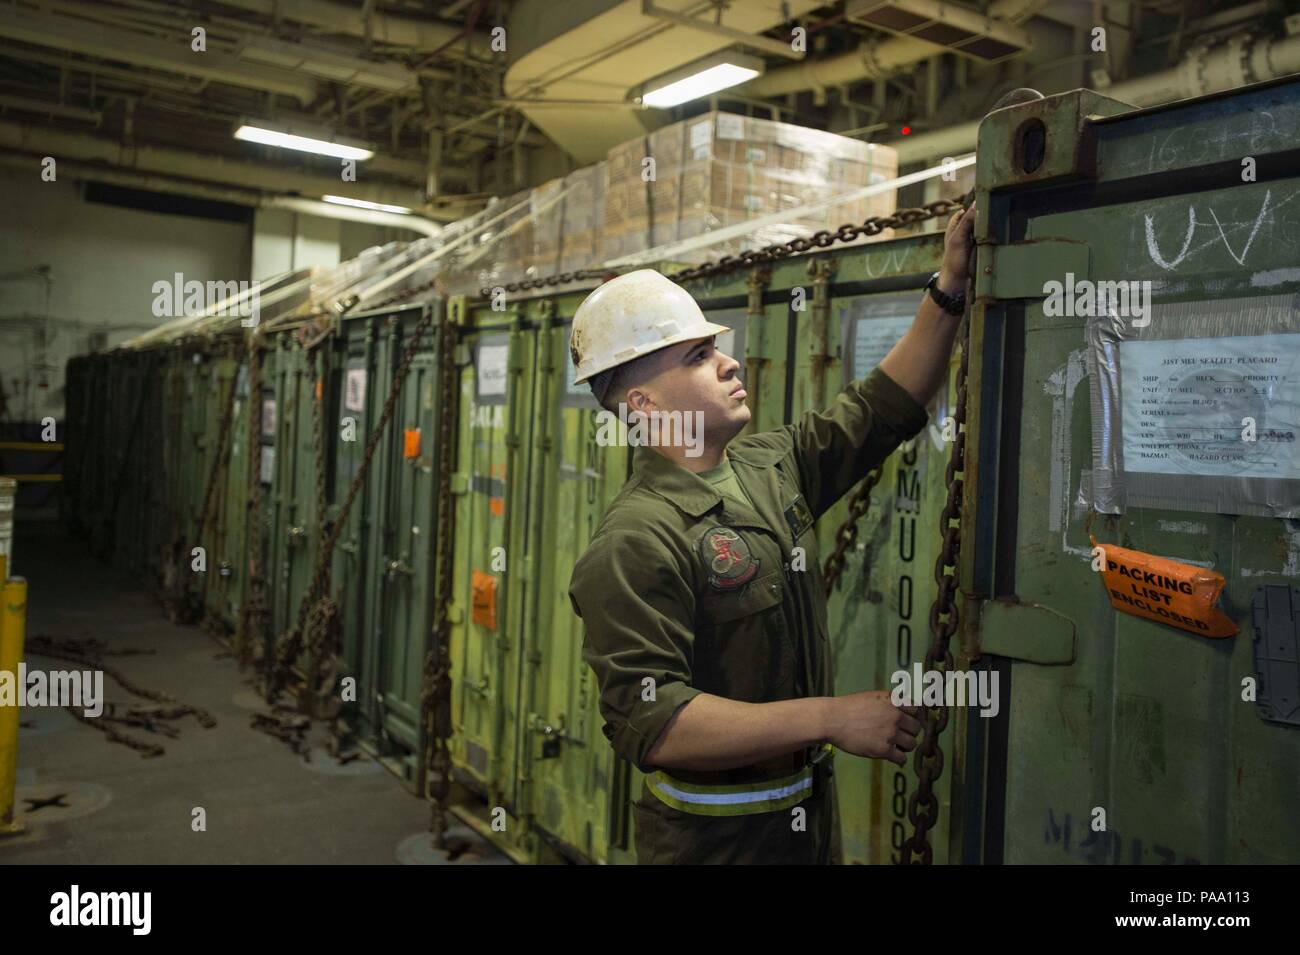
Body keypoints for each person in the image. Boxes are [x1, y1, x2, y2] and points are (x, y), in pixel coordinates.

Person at [567, 201, 977, 864]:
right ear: (644, 403)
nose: (729, 364)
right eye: (699, 356)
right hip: (717, 845)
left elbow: (882, 409)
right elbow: (656, 721)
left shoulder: (768, 467)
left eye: (716, 349)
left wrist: (949, 288)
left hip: (805, 824)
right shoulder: (634, 540)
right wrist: (832, 717)